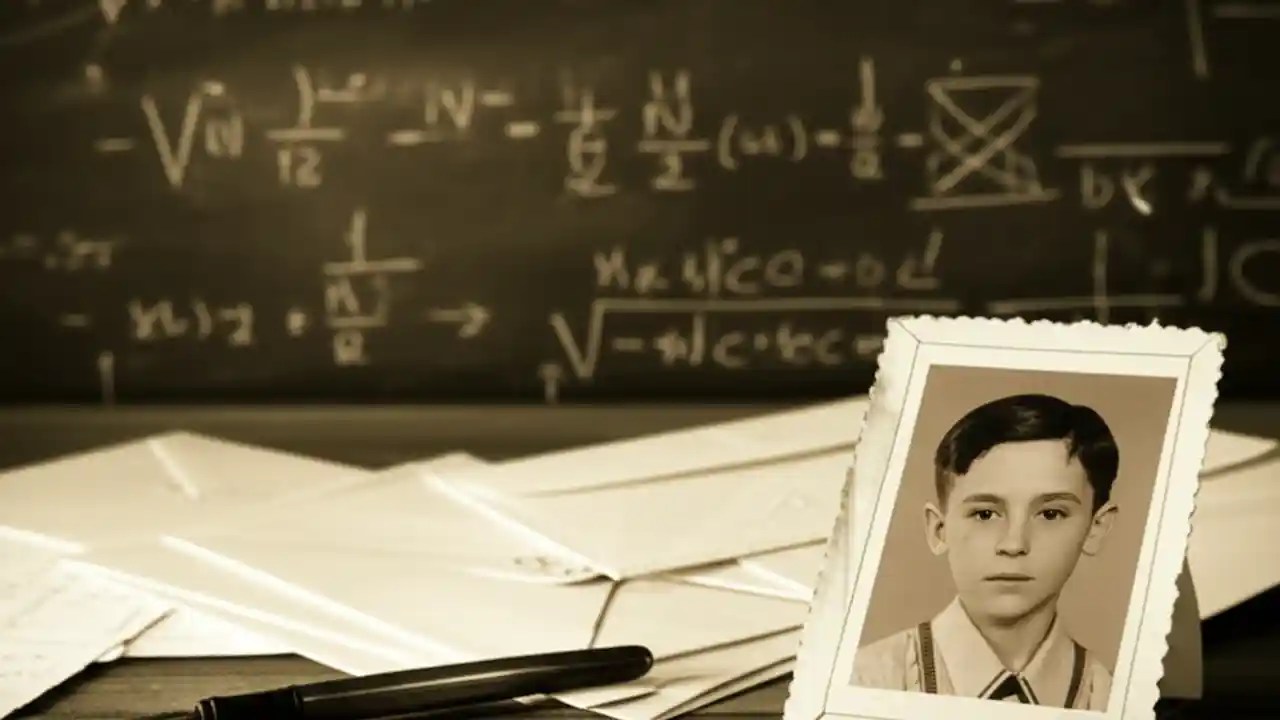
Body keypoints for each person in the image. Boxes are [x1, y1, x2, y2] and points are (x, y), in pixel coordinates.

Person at [851, 393, 1119, 710]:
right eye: (985, 514)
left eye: (1050, 514)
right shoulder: (861, 683)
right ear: (939, 530)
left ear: (1095, 528)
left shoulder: (1116, 700)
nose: (1013, 544)